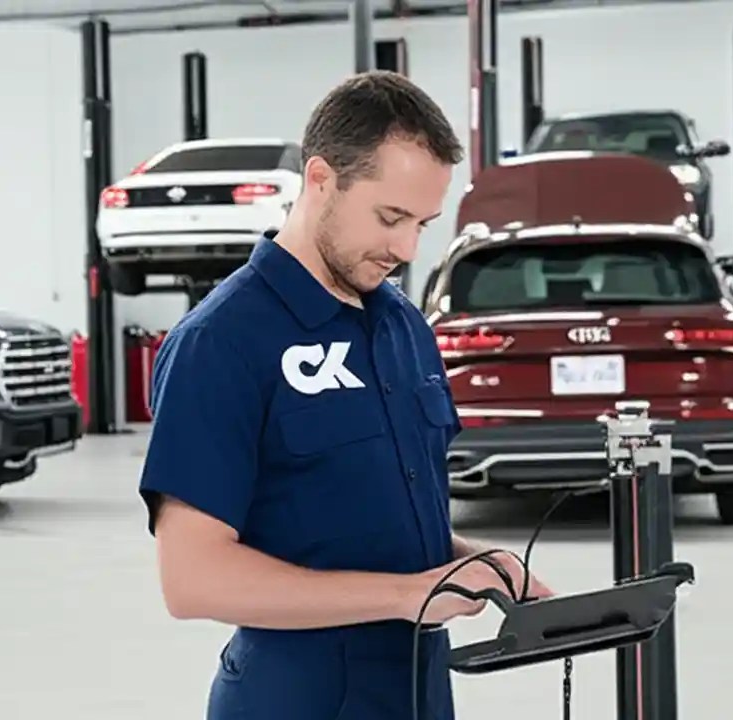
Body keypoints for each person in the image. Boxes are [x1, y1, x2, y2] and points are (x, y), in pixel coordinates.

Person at [137, 71, 555, 720]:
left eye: (423, 224)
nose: (406, 248)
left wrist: (473, 561)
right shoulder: (220, 342)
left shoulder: (403, 327)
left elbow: (369, 523)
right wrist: (406, 596)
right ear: (321, 179)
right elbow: (192, 579)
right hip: (295, 698)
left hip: (416, 691)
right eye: (391, 218)